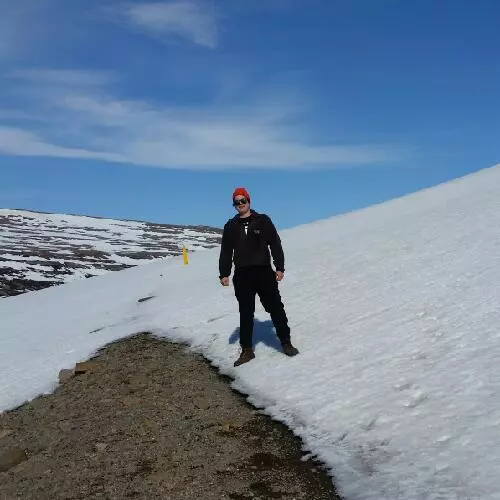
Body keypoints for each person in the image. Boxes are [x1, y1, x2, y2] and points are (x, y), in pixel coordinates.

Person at [219, 187, 299, 367]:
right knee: (246, 313)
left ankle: (286, 342)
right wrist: (224, 273)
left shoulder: (263, 220)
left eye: (243, 200)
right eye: (236, 202)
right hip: (242, 275)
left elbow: (275, 244)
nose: (240, 204)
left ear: (249, 201)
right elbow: (226, 251)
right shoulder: (230, 226)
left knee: (276, 308)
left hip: (263, 272)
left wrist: (280, 267)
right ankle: (247, 350)